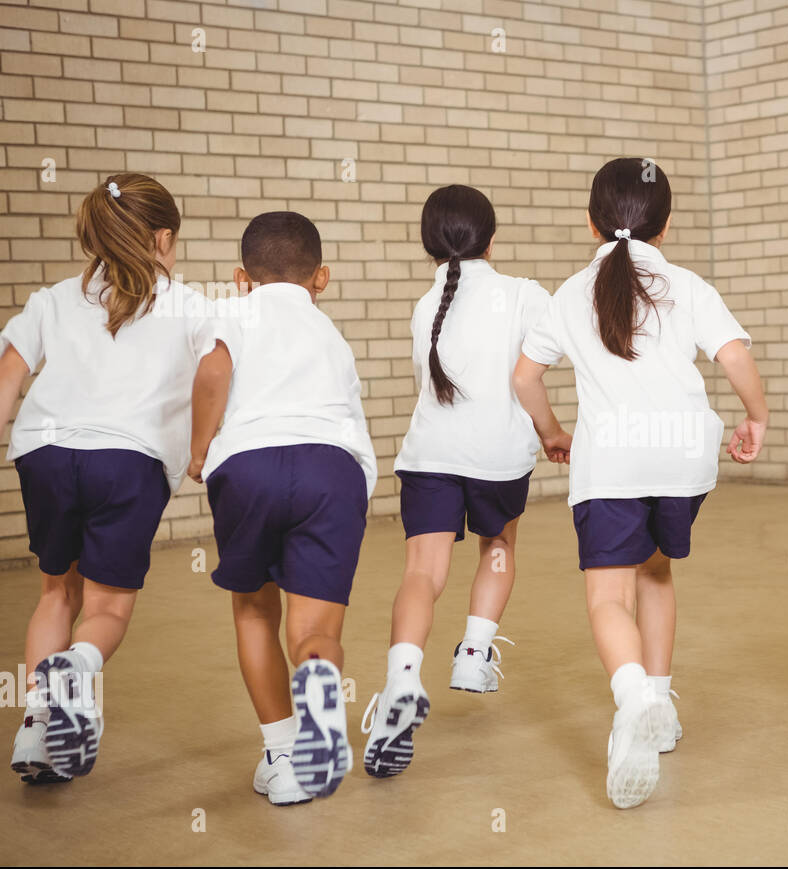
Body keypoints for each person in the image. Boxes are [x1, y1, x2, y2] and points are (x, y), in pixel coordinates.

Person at [513, 158, 769, 810]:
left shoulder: (570, 292)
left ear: (592, 222)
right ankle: (659, 701)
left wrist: (552, 433)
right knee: (655, 572)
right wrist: (757, 416)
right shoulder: (687, 283)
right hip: (685, 460)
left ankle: (633, 703)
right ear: (667, 224)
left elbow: (523, 377)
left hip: (616, 464)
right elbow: (734, 355)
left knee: (608, 598)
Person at [2, 174, 213, 784]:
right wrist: (204, 446)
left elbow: (9, 377)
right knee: (107, 608)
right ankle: (75, 669)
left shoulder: (53, 298)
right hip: (127, 461)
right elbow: (218, 367)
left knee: (54, 592)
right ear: (163, 237)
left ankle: (37, 729)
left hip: (45, 455)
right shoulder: (190, 304)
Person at [362, 185, 551, 779]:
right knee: (499, 548)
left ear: (430, 246)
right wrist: (553, 432)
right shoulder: (524, 295)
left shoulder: (426, 305)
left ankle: (401, 681)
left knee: (423, 572)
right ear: (491, 239)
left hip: (430, 456)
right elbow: (538, 367)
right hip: (498, 457)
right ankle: (473, 654)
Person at [189, 211, 377, 805]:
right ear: (320, 278)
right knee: (315, 628)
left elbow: (213, 369)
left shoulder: (233, 312)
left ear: (242, 277)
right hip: (333, 467)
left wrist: (198, 450)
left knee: (253, 611)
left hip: (250, 464)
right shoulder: (331, 336)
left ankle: (282, 755)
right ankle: (319, 678)